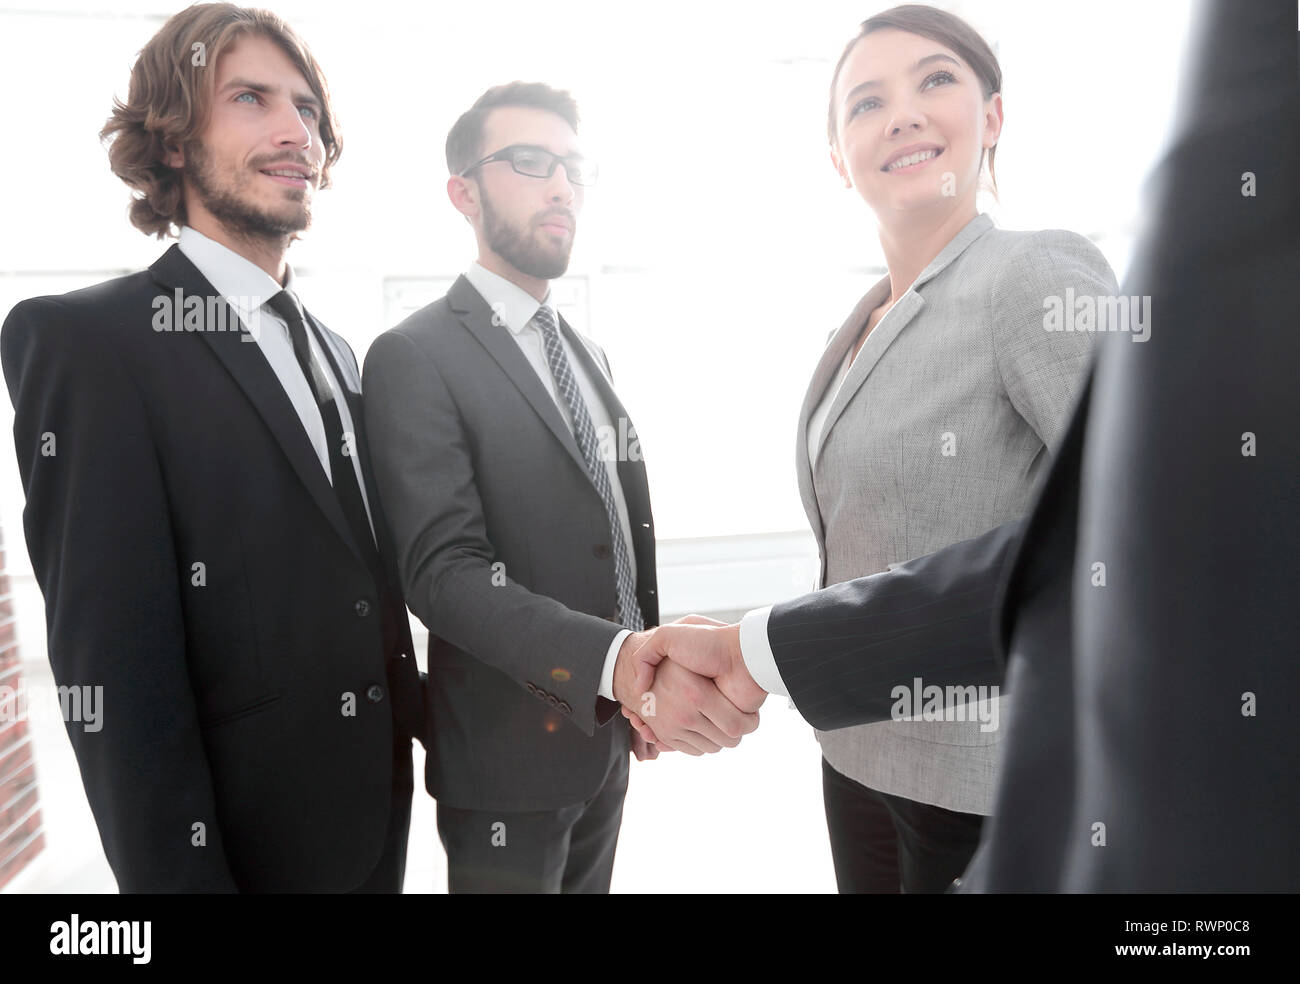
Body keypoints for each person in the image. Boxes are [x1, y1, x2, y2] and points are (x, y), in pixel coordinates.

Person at [627, 0, 1299, 892]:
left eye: (935, 80)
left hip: (985, 790)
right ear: (839, 159)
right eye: (866, 102)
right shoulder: (857, 326)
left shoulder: (1037, 277)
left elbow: (1127, 537)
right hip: (854, 756)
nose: (901, 112)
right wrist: (757, 643)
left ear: (992, 116)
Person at [1, 4, 423, 892]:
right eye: (251, 99)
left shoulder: (338, 351)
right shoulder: (90, 342)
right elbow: (114, 677)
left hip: (376, 832)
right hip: (239, 857)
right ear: (174, 142)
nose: (293, 130)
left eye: (307, 110)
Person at [362, 82, 757, 894]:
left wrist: (633, 681)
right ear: (462, 191)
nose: (561, 187)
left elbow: (605, 529)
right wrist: (621, 663)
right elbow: (443, 574)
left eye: (575, 168)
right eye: (531, 162)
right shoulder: (414, 354)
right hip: (505, 768)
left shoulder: (586, 352)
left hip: (602, 739)